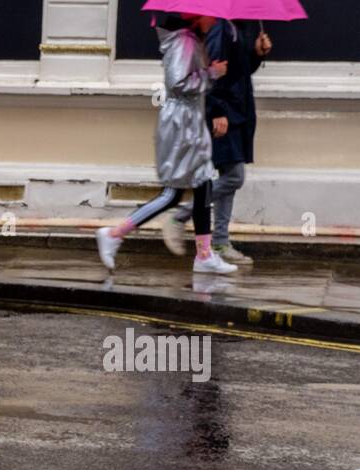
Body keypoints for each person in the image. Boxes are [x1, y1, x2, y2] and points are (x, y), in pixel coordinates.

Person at [97, 14, 235, 276]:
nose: (215, 22)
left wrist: (208, 71)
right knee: (173, 193)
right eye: (212, 17)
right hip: (181, 125)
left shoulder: (193, 40)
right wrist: (211, 73)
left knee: (203, 183)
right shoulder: (183, 41)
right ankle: (114, 234)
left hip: (190, 122)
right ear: (196, 16)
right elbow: (178, 83)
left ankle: (204, 255)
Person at [163, 19, 270, 264]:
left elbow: (237, 72)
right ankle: (180, 216)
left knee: (229, 177)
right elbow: (207, 72)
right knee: (234, 177)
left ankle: (220, 242)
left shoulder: (239, 27)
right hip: (223, 115)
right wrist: (216, 110)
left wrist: (256, 54)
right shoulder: (220, 29)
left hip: (237, 112)